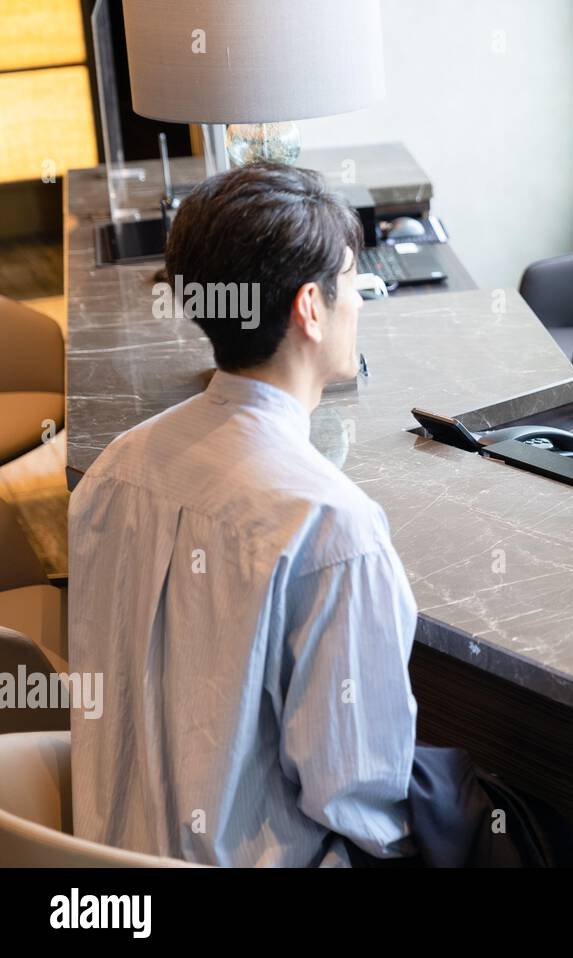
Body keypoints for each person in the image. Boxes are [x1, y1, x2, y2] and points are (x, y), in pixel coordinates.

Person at [68, 162, 419, 866]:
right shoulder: (333, 529)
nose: (359, 302)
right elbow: (358, 801)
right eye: (351, 281)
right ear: (310, 308)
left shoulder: (115, 471)